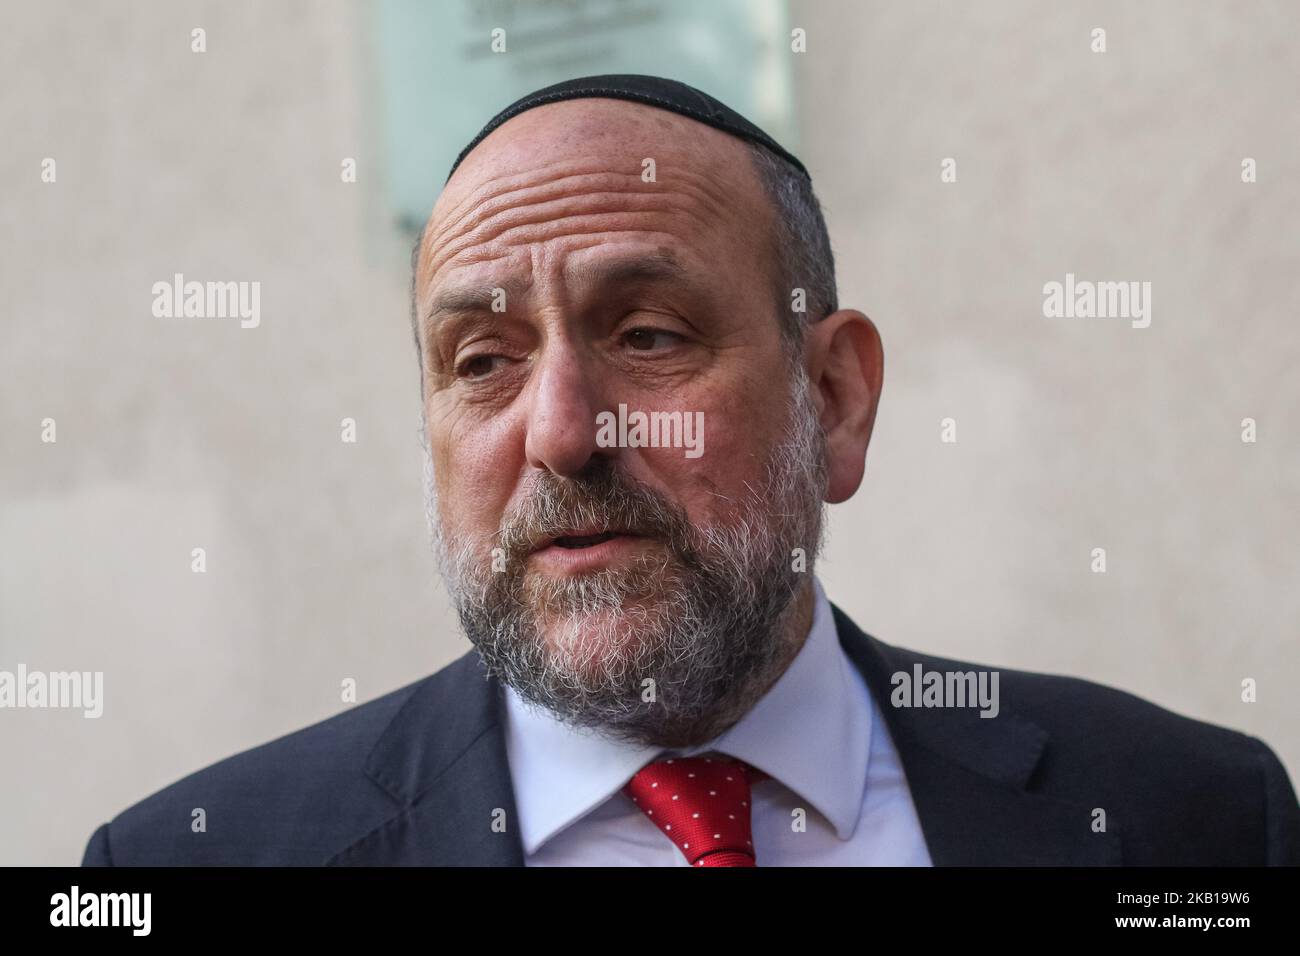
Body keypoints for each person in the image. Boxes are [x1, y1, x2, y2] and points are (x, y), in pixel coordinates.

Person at [82, 75, 1299, 866]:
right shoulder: (193, 859)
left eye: (648, 335)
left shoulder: (1185, 818)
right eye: (483, 359)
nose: (561, 433)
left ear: (831, 398)